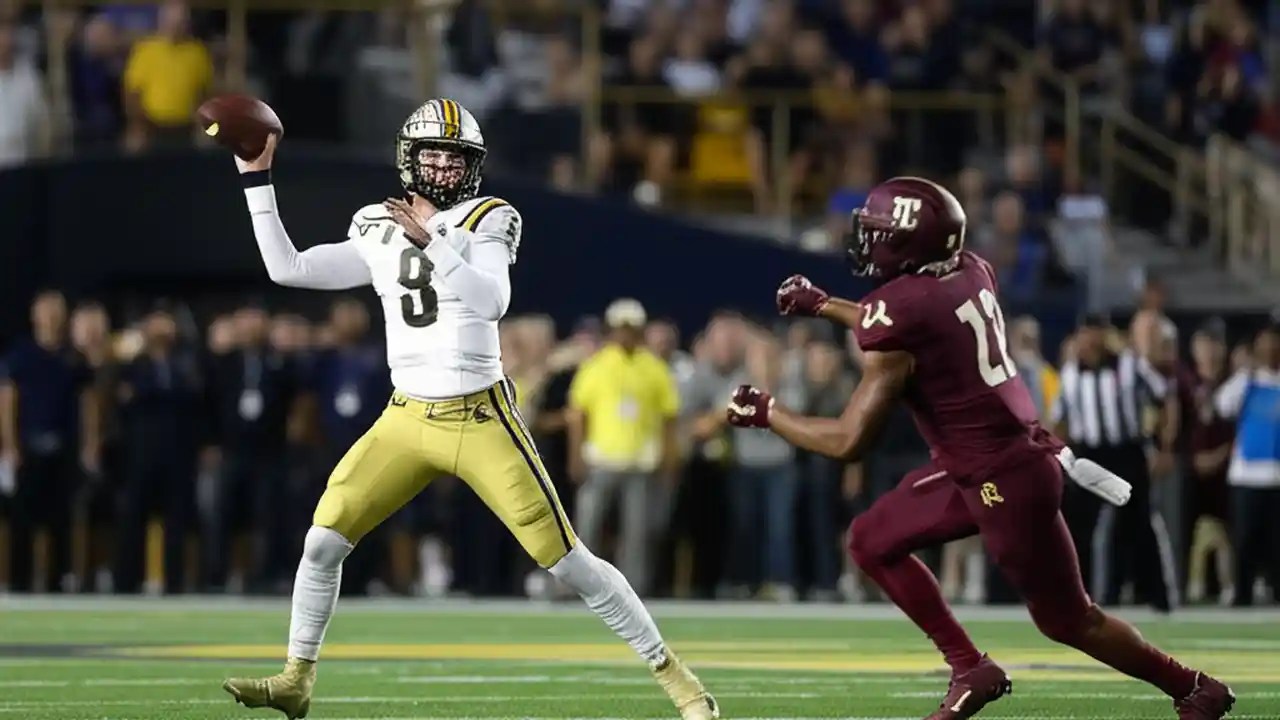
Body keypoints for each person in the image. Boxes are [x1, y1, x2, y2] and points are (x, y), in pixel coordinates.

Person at [219, 98, 717, 720]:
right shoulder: (375, 222)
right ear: (409, 158)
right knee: (321, 542)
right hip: (406, 417)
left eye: (455, 158)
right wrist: (256, 178)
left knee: (566, 560)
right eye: (433, 155)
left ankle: (679, 680)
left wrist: (434, 241)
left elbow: (491, 302)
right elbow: (287, 268)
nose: (444, 168)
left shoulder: (489, 216)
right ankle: (297, 677)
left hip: (480, 415)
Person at [725, 176, 1233, 720]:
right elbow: (907, 318)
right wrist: (826, 306)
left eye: (877, 232)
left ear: (907, 242)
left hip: (1002, 481)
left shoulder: (900, 314)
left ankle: (1192, 688)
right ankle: (969, 666)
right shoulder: (971, 268)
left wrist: (769, 413)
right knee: (871, 539)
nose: (867, 242)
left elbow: (849, 439)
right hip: (997, 463)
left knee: (1070, 621)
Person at [567, 298, 680, 597]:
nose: (626, 334)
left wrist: (670, 459)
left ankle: (631, 590)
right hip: (601, 460)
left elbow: (668, 418)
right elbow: (578, 414)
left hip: (640, 463)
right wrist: (575, 456)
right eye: (620, 328)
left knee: (637, 533)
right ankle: (582, 585)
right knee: (587, 527)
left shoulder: (654, 368)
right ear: (611, 330)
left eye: (631, 329)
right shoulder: (596, 365)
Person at [0, 290, 98, 593]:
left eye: (57, 310)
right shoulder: (20, 355)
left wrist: (90, 444)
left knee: (61, 520)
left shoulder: (74, 358)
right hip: (28, 447)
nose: (52, 316)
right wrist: (9, 445)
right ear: (34, 315)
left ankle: (59, 582)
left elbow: (88, 402)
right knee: (22, 520)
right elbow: (8, 400)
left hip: (64, 448)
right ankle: (19, 583)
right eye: (46, 310)